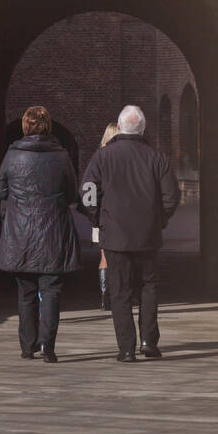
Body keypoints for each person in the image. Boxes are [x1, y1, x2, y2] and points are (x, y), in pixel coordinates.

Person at [81, 104, 180, 362]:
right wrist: (160, 220)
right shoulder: (156, 157)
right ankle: (149, 341)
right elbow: (171, 196)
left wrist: (97, 219)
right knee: (149, 287)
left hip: (114, 236)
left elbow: (88, 191)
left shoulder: (103, 157)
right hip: (147, 236)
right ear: (143, 128)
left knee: (120, 290)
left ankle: (126, 348)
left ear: (120, 125)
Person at [0, 105, 81, 363]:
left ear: (25, 126)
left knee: (26, 292)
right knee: (52, 290)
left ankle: (27, 346)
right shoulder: (61, 155)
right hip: (53, 232)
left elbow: (1, 189)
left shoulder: (13, 155)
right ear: (48, 126)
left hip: (21, 233)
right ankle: (48, 347)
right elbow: (71, 192)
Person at [93, 122, 119, 309]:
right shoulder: (123, 158)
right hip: (120, 214)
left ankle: (105, 295)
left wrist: (92, 213)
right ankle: (120, 291)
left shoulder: (99, 158)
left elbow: (90, 188)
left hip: (101, 214)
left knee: (104, 256)